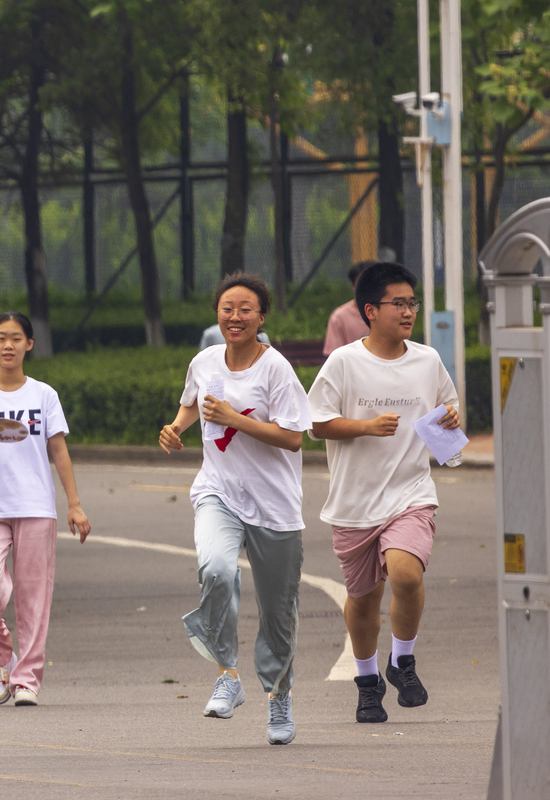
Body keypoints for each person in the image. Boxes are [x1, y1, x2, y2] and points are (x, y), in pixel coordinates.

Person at [159, 273, 310, 745]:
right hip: (218, 491)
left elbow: (292, 436)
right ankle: (228, 674)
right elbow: (190, 404)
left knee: (277, 613)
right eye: (227, 308)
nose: (235, 317)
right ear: (217, 314)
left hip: (274, 505)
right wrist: (177, 426)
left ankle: (279, 696)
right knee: (217, 570)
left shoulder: (276, 369)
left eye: (246, 309)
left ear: (261, 317)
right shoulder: (204, 361)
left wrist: (234, 420)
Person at [307, 261, 459, 724]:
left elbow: (446, 409)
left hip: (411, 493)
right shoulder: (344, 362)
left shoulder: (427, 359)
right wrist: (364, 427)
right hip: (354, 504)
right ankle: (368, 681)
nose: (409, 311)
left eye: (412, 302)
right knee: (365, 598)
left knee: (406, 575)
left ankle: (404, 660)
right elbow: (314, 422)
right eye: (399, 303)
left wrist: (451, 419)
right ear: (371, 310)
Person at [0, 311, 91, 708]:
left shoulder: (43, 395)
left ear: (29, 344)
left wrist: (74, 504)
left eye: (16, 338)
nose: (8, 345)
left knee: (33, 596)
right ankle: (0, 658)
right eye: (1, 338)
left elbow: (58, 449)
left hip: (35, 506)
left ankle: (27, 679)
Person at [323, 261, 372, 356]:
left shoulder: (389, 313)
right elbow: (333, 356)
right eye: (362, 284)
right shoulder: (339, 317)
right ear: (353, 286)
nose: (368, 288)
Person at [200, 323, 269, 349]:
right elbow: (202, 361)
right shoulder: (211, 334)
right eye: (227, 309)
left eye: (245, 310)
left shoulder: (261, 336)